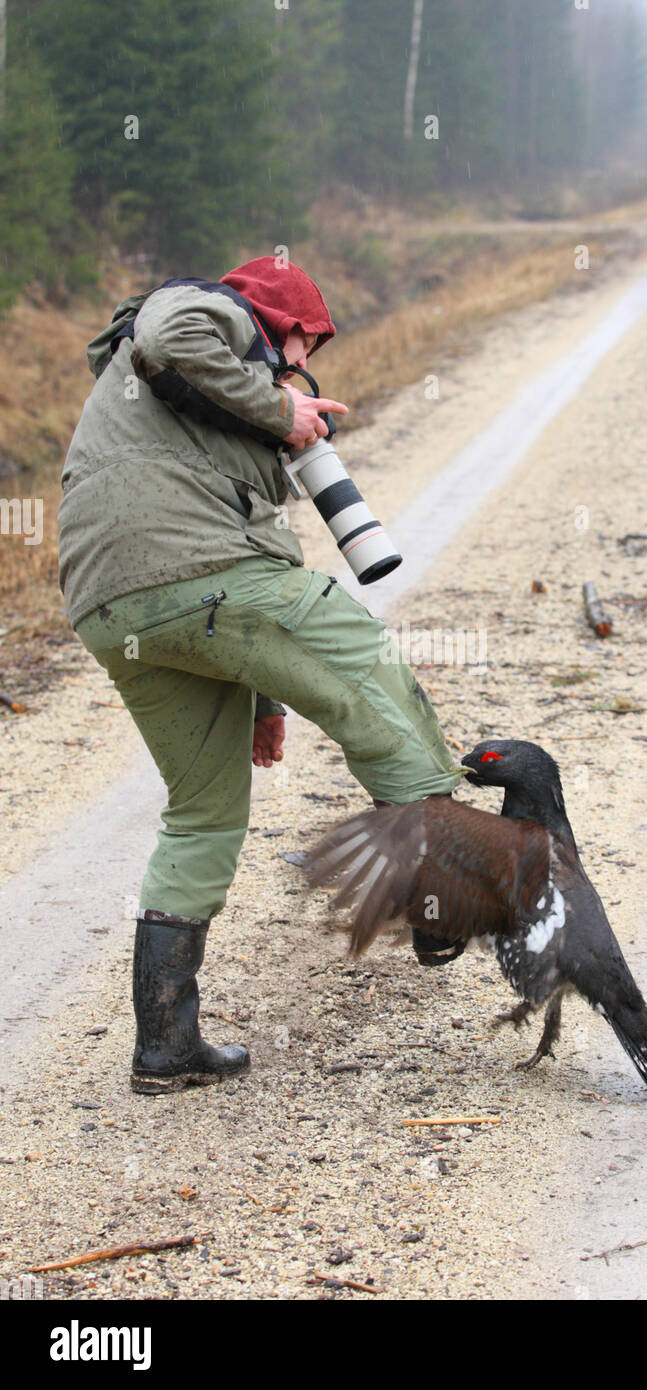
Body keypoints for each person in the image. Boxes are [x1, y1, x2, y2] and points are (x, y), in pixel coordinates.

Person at [57, 256, 464, 1096]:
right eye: (299, 348)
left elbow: (237, 576)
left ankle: (165, 1046)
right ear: (277, 316)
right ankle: (437, 898)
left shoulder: (183, 410)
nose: (296, 368)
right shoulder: (205, 310)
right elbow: (174, 333)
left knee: (202, 814)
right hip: (198, 580)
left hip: (117, 608)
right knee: (374, 677)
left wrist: (264, 699)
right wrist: (283, 405)